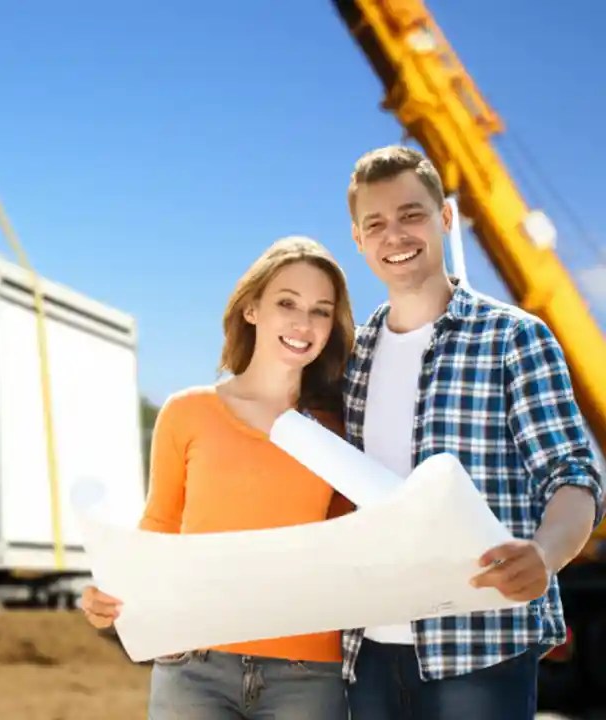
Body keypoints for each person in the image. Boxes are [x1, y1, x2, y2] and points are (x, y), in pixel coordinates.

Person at [339, 145, 605, 719]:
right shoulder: (349, 358)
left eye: (411, 214)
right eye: (375, 224)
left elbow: (573, 476)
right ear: (359, 242)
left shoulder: (515, 337)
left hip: (479, 647)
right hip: (366, 648)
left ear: (445, 219)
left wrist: (545, 552)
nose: (395, 235)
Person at [80, 236, 358, 719]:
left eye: (320, 310)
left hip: (307, 674)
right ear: (251, 309)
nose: (302, 323)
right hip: (195, 668)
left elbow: (351, 546)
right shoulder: (187, 412)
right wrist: (114, 593)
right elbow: (160, 528)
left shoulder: (334, 429)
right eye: (286, 303)